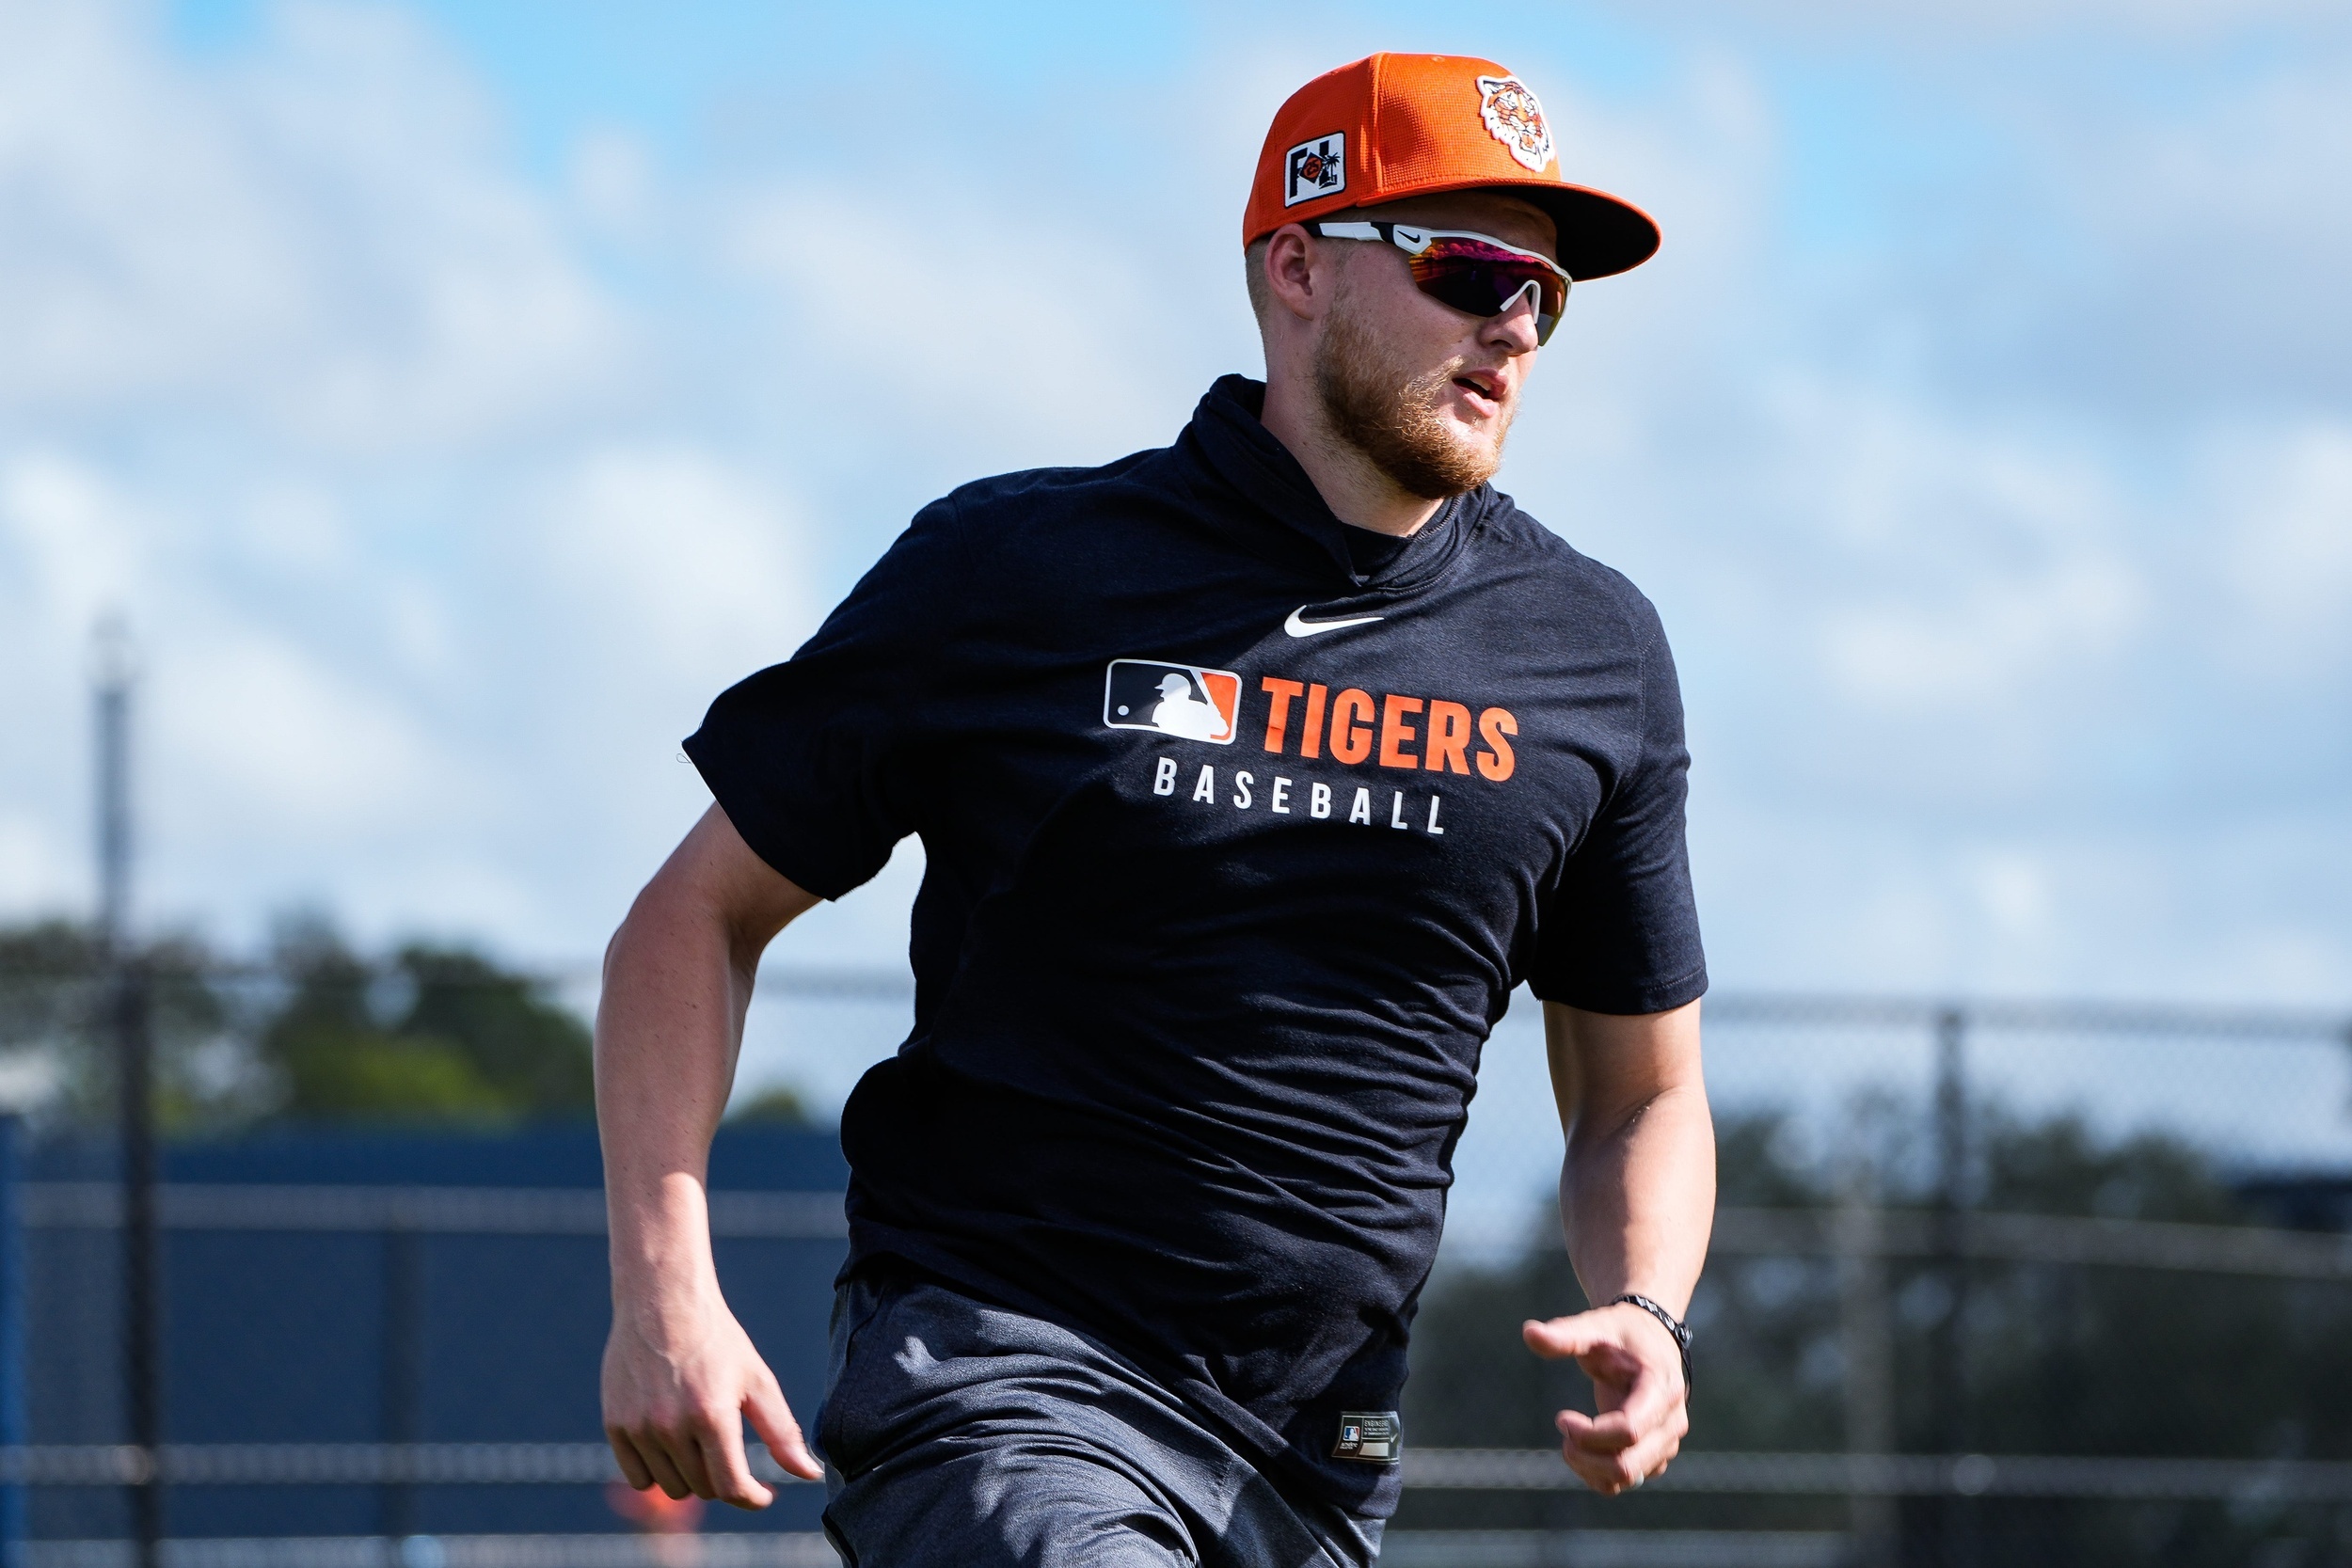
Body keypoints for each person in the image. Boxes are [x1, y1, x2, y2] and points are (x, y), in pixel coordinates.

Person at [596, 51, 1715, 1568]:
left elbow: (1641, 1091)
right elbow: (693, 917)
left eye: (1547, 294)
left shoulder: (1593, 653)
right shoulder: (1020, 569)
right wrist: (668, 1287)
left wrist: (1647, 1305)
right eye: (1468, 268)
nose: (1512, 325)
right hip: (999, 1376)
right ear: (1299, 266)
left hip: (1316, 1458)